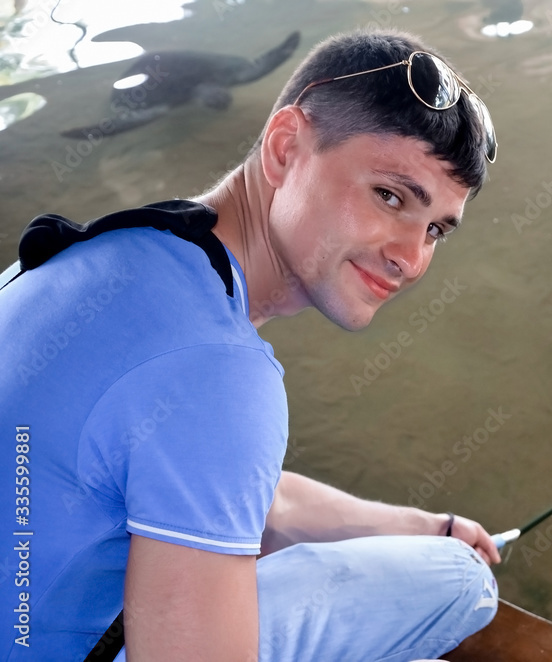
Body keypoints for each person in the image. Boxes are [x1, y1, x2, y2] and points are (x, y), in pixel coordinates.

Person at [0, 27, 500, 661]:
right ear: (286, 148)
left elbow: (227, 479)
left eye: (435, 230)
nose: (411, 258)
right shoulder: (219, 374)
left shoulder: (105, 253)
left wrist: (429, 526)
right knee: (457, 582)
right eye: (390, 195)